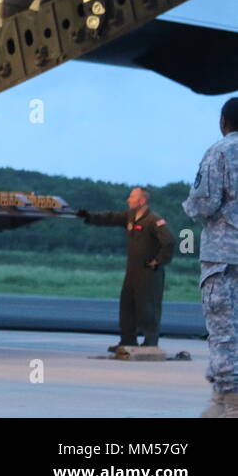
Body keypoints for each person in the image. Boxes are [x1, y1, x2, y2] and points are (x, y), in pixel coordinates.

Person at [182, 96, 238, 417]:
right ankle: (219, 402)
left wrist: (188, 206)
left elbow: (203, 204)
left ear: (223, 122)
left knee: (224, 336)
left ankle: (231, 405)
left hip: (224, 260)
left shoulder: (220, 152)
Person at [77, 187, 175, 351]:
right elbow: (110, 218)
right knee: (127, 306)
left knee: (148, 307)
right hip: (132, 271)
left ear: (142, 201)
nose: (128, 200)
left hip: (148, 273)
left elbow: (169, 241)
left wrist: (158, 261)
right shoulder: (130, 217)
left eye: (132, 197)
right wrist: (89, 216)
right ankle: (127, 341)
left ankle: (150, 342)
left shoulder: (154, 220)